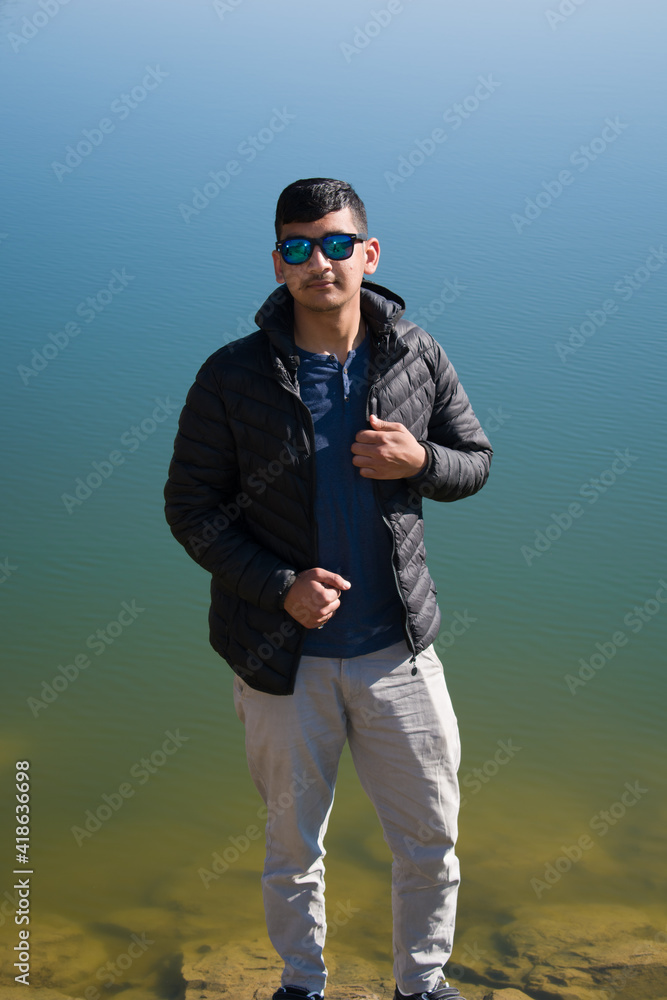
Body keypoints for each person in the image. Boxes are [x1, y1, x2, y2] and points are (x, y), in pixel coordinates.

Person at [164, 178, 492, 1000]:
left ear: (368, 254)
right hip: (281, 660)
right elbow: (191, 509)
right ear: (278, 264)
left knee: (430, 839)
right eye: (301, 247)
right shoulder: (231, 376)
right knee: (292, 846)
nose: (322, 262)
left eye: (338, 244)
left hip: (399, 656)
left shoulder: (418, 354)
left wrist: (420, 462)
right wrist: (279, 587)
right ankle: (301, 985)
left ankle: (422, 985)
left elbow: (476, 462)